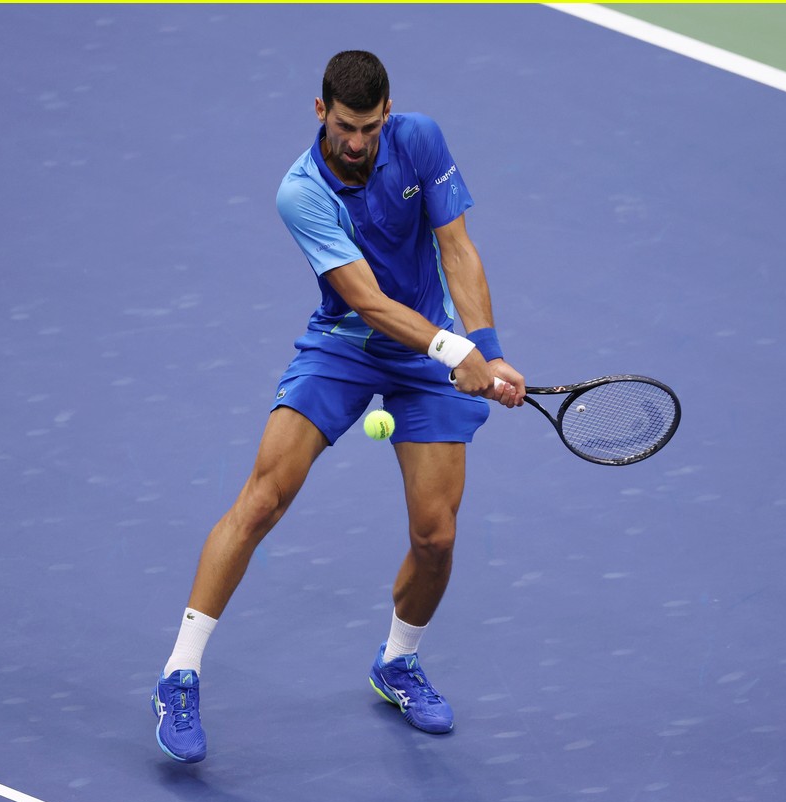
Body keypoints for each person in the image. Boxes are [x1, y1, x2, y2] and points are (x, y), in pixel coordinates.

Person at [151, 50, 526, 763]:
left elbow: (458, 248)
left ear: (389, 114)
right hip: (345, 347)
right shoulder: (301, 192)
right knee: (262, 498)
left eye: (371, 128)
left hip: (430, 348)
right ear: (321, 112)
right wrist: (457, 352)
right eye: (346, 127)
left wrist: (489, 344)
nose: (358, 143)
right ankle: (179, 672)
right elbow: (368, 302)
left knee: (436, 536)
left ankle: (397, 662)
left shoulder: (420, 139)